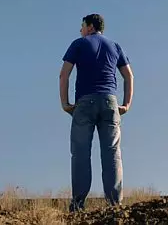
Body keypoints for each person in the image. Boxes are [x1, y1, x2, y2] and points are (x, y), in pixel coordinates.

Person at [59, 13, 133, 212]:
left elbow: (64, 74)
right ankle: (115, 205)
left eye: (82, 26)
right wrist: (126, 104)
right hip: (110, 101)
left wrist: (65, 103)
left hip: (85, 102)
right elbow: (128, 75)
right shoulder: (115, 46)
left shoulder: (79, 44)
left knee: (81, 154)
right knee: (112, 153)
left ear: (90, 27)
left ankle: (78, 205)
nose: (81, 30)